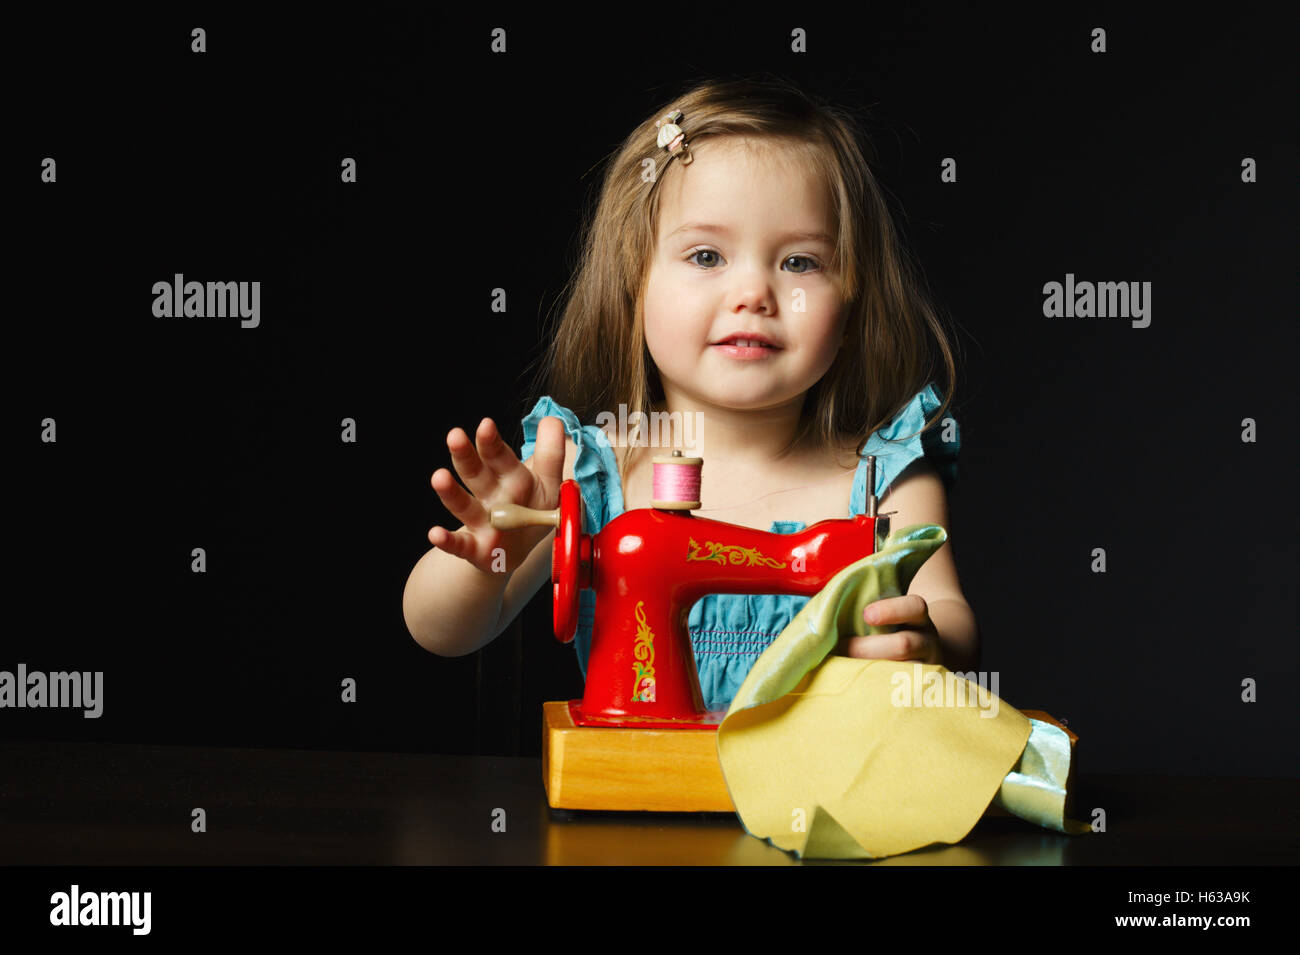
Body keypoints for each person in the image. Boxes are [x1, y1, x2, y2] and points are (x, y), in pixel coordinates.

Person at [403, 76, 976, 712]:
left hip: (824, 805)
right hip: (637, 801)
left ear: (854, 298)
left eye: (800, 263)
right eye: (706, 256)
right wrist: (491, 560)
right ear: (633, 282)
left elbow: (951, 620)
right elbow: (441, 632)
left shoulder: (885, 480)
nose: (754, 292)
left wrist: (929, 648)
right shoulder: (587, 473)